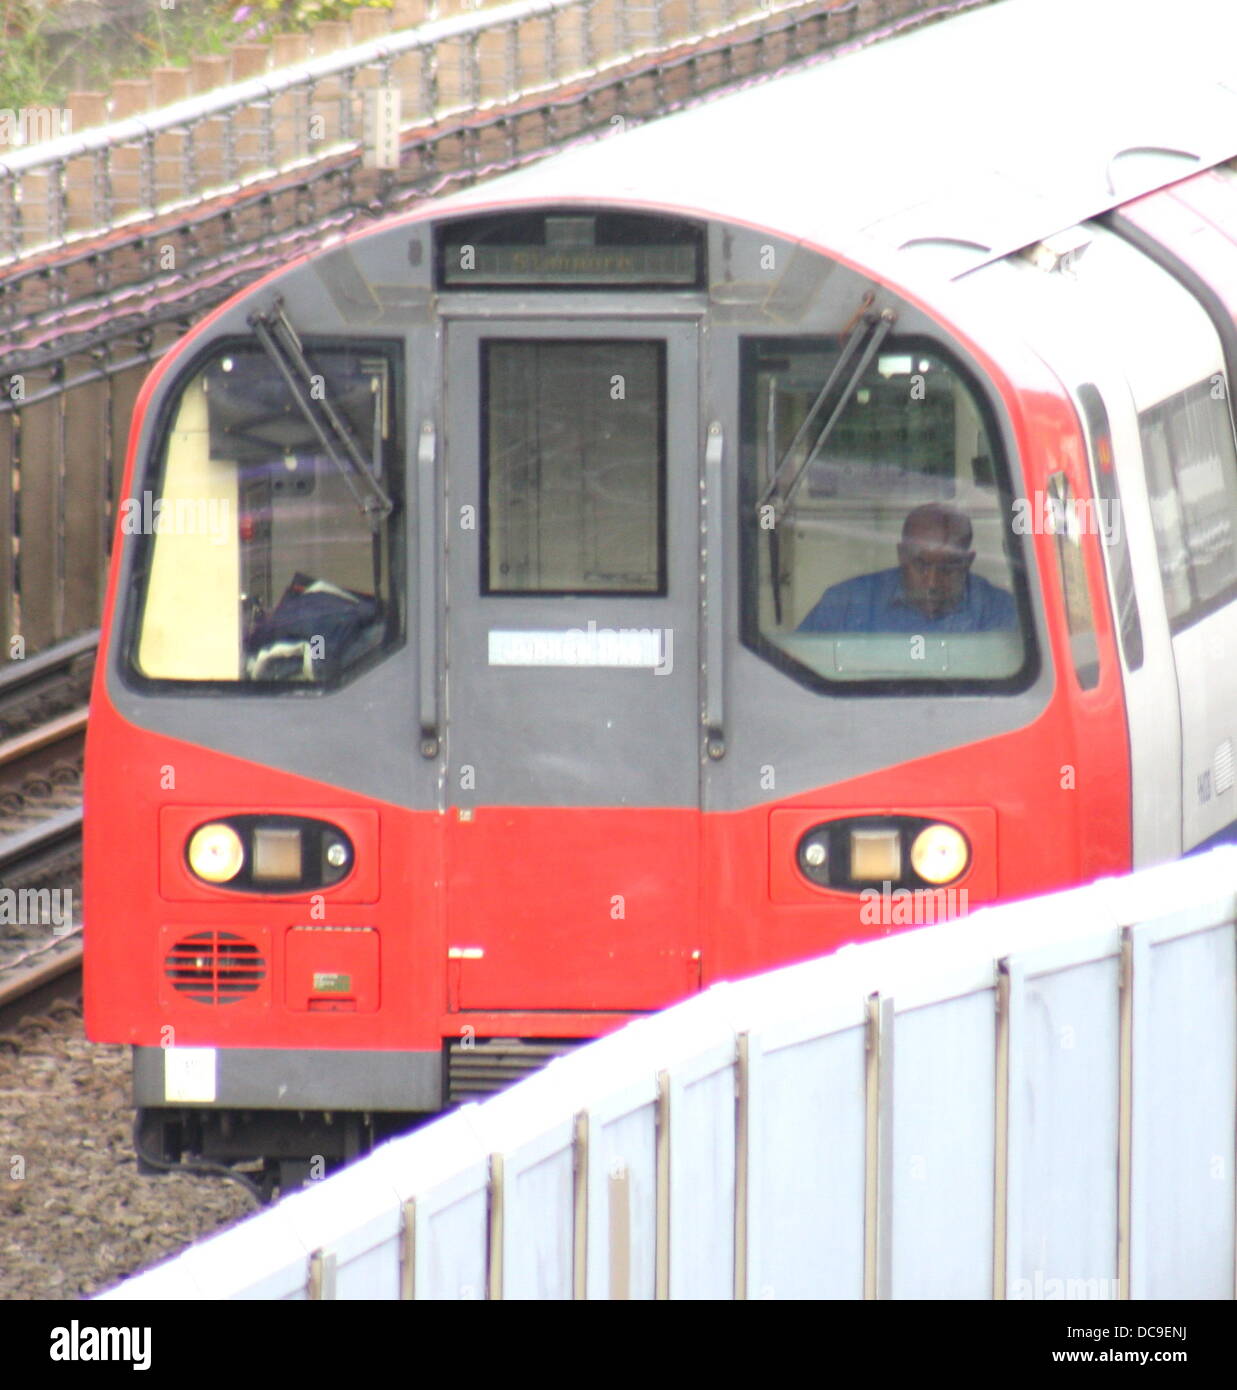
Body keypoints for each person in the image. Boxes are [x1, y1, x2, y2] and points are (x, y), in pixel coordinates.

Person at [797, 502, 1015, 633]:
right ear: (902, 556)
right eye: (921, 566)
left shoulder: (1001, 612)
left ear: (967, 563)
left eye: (948, 568)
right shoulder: (844, 605)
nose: (932, 583)